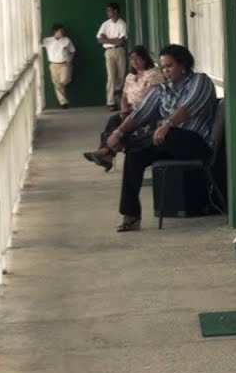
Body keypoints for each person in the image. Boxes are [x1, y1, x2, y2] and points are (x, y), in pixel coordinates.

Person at [92, 44, 216, 232]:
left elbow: (188, 108)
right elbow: (140, 115)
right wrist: (119, 132)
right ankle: (131, 215)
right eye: (163, 67)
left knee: (169, 134)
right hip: (167, 143)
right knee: (135, 154)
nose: (165, 71)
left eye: (170, 66)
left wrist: (167, 124)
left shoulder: (200, 81)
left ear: (183, 65)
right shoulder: (162, 89)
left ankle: (110, 151)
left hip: (195, 144)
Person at [82, 45, 164, 171]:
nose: (135, 62)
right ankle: (107, 153)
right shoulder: (130, 77)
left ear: (146, 59)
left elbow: (152, 99)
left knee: (120, 125)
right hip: (129, 111)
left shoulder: (154, 74)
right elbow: (124, 96)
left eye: (138, 59)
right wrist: (124, 109)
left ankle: (107, 152)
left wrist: (132, 111)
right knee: (114, 120)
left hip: (146, 113)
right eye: (132, 59)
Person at [96, 2, 129, 110]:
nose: (108, 13)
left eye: (109, 10)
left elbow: (120, 41)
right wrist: (111, 40)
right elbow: (99, 39)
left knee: (121, 76)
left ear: (115, 11)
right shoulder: (105, 24)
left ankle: (117, 92)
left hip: (119, 51)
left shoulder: (122, 24)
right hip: (109, 52)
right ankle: (111, 102)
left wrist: (107, 39)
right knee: (111, 76)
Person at [41, 23, 76, 108]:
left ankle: (69, 74)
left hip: (64, 64)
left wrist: (70, 59)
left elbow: (73, 51)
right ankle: (63, 102)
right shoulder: (47, 40)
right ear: (55, 32)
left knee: (64, 80)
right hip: (53, 64)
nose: (62, 33)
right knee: (57, 84)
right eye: (60, 31)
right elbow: (40, 44)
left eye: (63, 31)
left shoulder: (66, 40)